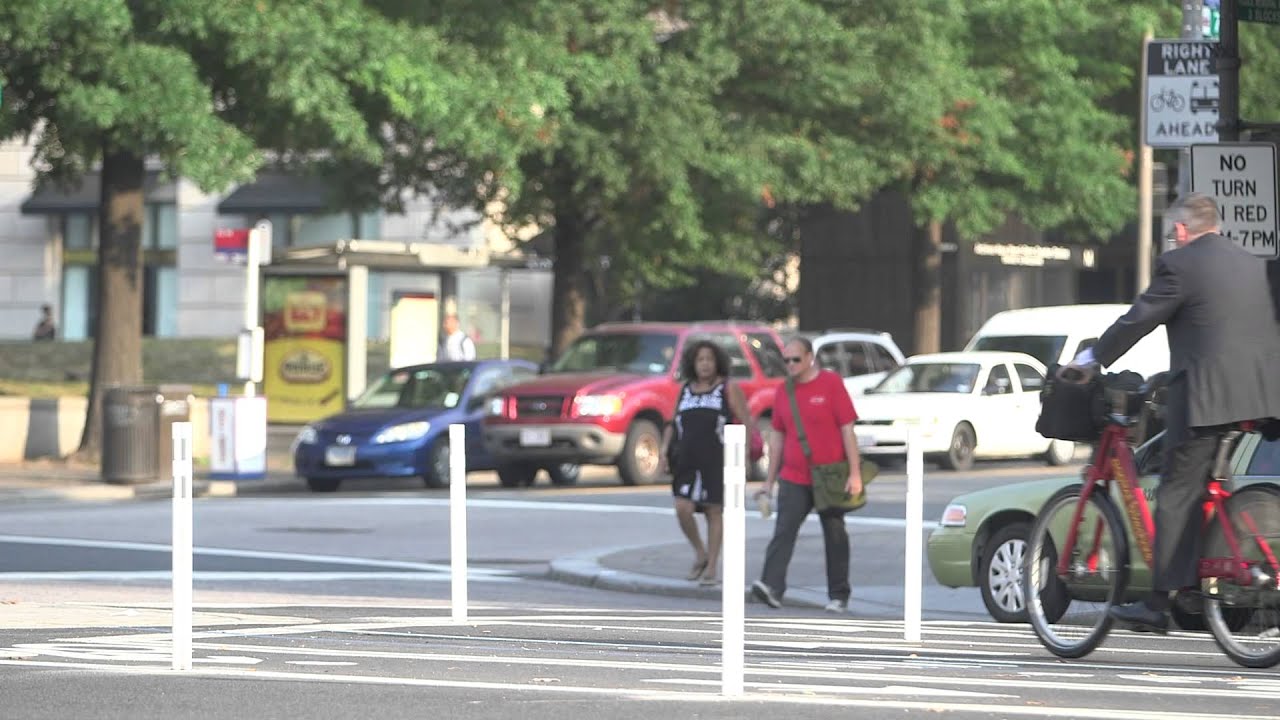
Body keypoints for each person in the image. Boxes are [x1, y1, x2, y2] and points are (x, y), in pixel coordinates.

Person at [1065, 192, 1280, 633]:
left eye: (1173, 233)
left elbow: (1138, 319)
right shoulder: (1252, 263)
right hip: (1258, 398)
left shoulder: (1181, 265)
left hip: (1205, 400)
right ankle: (1208, 567)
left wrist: (1091, 359)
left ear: (1181, 230)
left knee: (1176, 492)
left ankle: (1158, 604)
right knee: (1205, 486)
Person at [751, 336, 863, 613]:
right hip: (794, 476)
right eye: (786, 360)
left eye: (795, 359)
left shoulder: (831, 383)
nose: (790, 364)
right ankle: (771, 586)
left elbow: (848, 429)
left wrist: (855, 473)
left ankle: (839, 595)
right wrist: (768, 481)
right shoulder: (783, 392)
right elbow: (777, 437)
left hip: (829, 475)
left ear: (810, 357)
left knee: (834, 534)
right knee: (784, 530)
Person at [659, 339, 751, 587]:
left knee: (713, 509)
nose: (705, 364)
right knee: (682, 507)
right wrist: (663, 450)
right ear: (693, 363)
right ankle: (700, 552)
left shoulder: (728, 388)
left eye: (709, 359)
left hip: (716, 459)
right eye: (700, 360)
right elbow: (672, 423)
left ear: (717, 361)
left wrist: (746, 455)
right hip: (686, 459)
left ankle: (712, 565)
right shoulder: (685, 389)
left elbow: (745, 421)